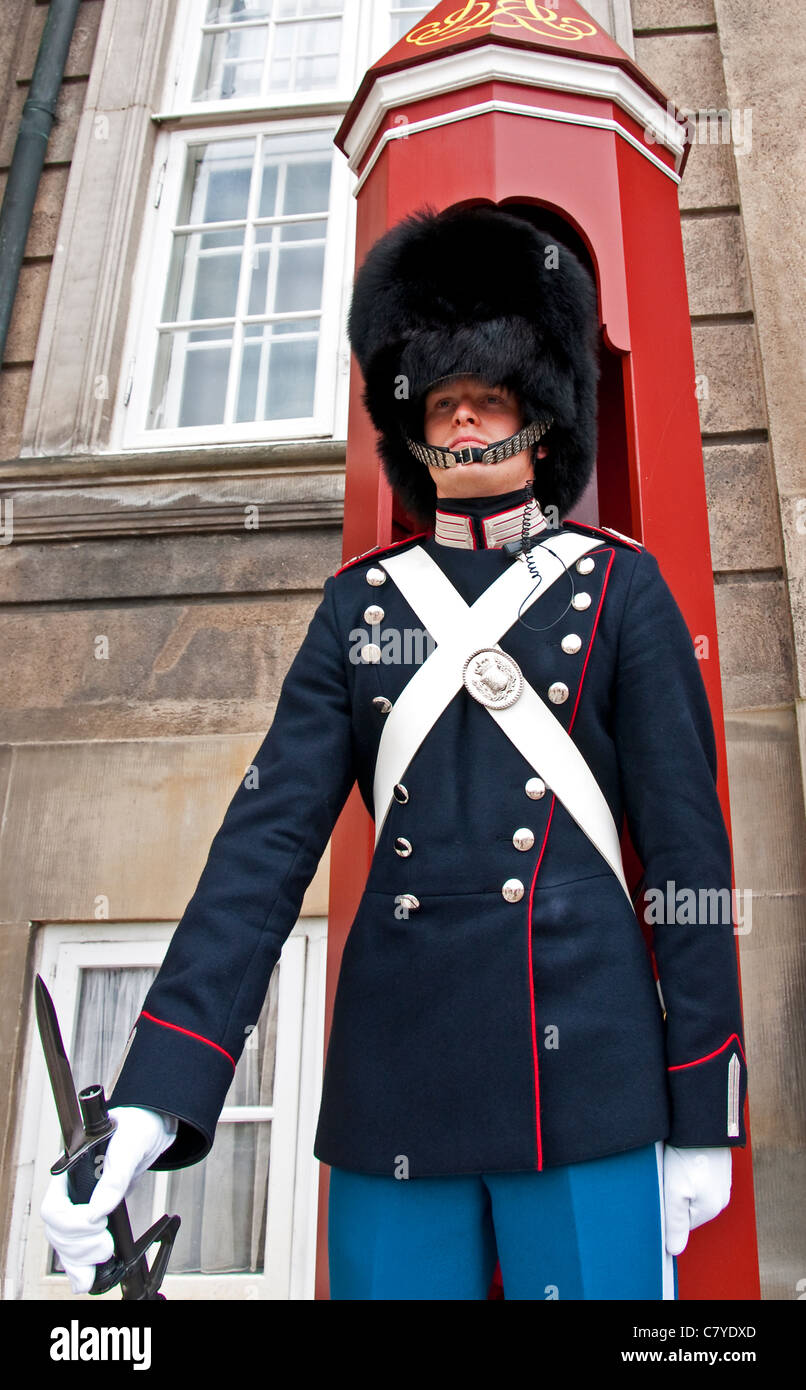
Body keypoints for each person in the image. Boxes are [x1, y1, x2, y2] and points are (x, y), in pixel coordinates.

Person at [41, 205, 747, 1300]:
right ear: (409, 422)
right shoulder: (355, 611)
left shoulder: (620, 588)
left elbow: (688, 864)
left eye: (492, 399)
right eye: (444, 401)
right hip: (396, 1088)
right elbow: (259, 855)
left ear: (541, 420)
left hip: (589, 1084)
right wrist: (151, 1096)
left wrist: (702, 1108)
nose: (465, 424)